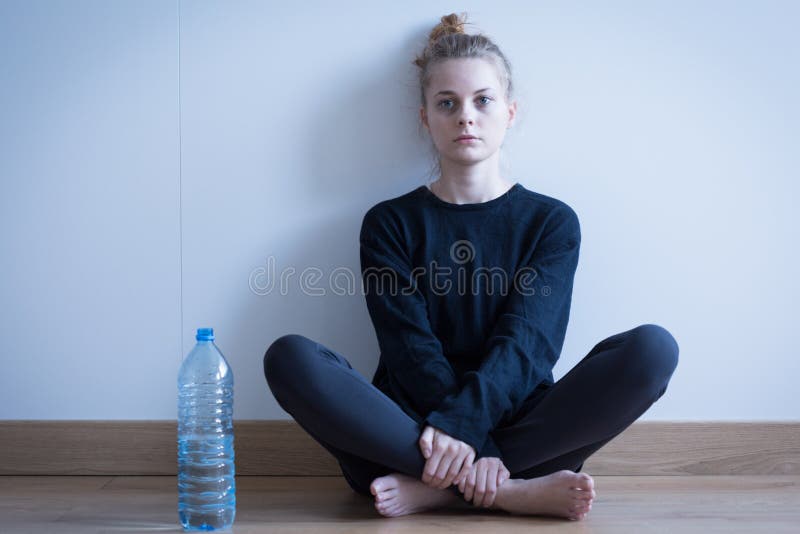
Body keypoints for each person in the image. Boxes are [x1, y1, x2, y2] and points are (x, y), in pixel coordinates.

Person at [263, 12, 679, 521]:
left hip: (518, 429)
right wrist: (464, 440)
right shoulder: (388, 223)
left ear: (509, 111)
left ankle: (439, 489)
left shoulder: (551, 222)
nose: (466, 116)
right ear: (425, 118)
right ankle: (506, 490)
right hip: (407, 429)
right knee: (289, 358)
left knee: (652, 350)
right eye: (447, 103)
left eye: (482, 100)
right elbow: (408, 348)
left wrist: (468, 431)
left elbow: (528, 343)